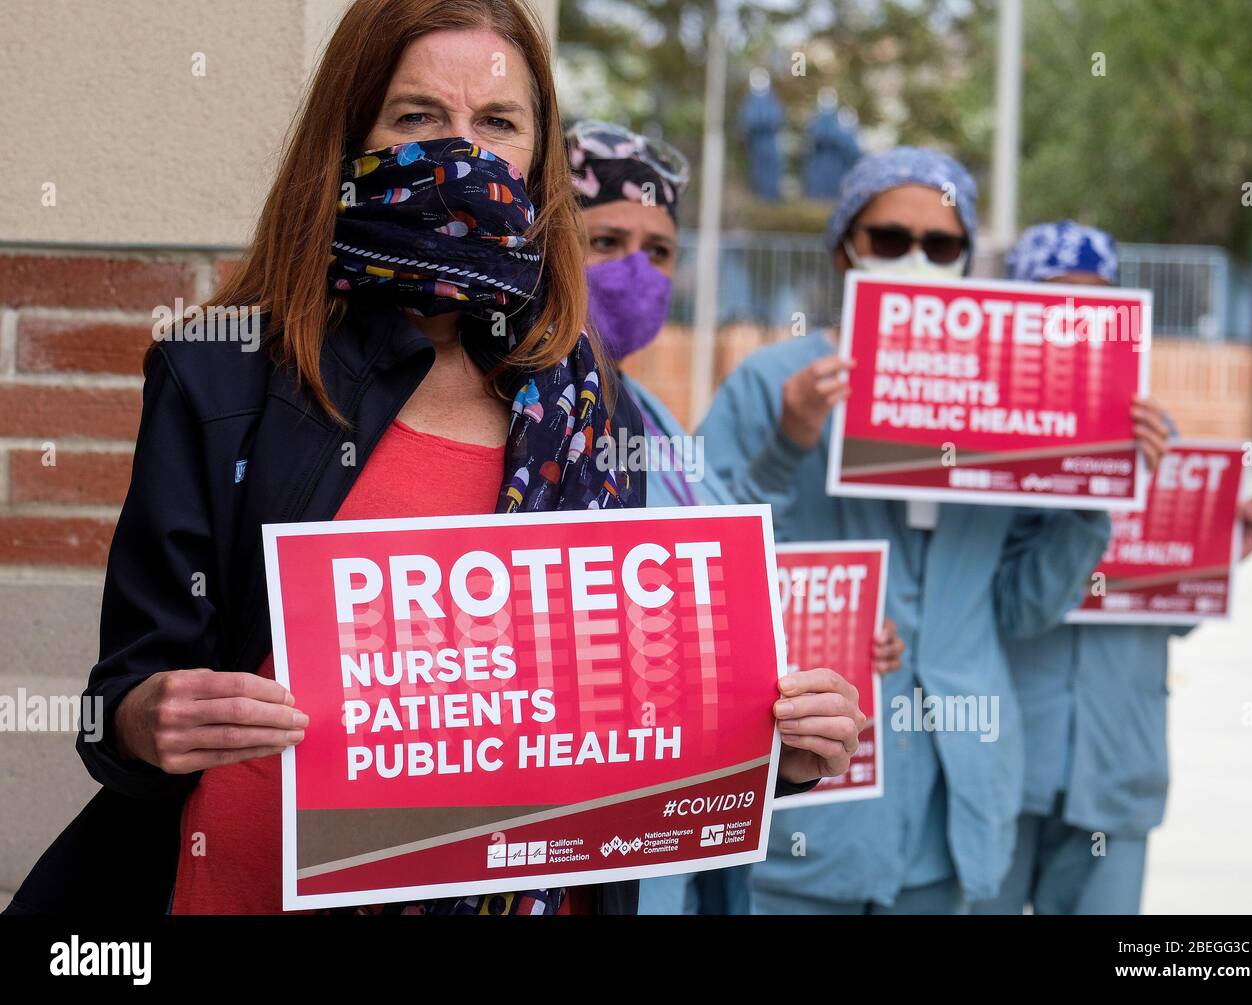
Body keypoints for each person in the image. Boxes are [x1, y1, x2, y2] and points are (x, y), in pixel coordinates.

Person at [8, 0, 864, 918]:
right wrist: (146, 720)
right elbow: (121, 701)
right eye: (417, 117)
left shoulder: (586, 399)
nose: (462, 156)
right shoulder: (224, 374)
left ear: (540, 157)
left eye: (497, 123)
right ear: (349, 139)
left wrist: (775, 749)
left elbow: (626, 711)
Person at [699, 147, 1167, 915]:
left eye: (941, 244)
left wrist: (1092, 491)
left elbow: (1018, 608)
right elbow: (702, 578)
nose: (916, 258)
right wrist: (787, 444)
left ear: (965, 258)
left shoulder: (1000, 405)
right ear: (844, 247)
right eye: (890, 239)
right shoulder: (769, 384)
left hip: (957, 821)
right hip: (807, 823)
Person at [565, 120, 905, 914]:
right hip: (596, 852)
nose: (636, 270)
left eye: (658, 250)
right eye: (606, 241)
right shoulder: (526, 420)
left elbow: (727, 587)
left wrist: (837, 638)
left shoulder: (649, 415)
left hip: (681, 852)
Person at [970, 221, 1252, 914]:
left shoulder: (1153, 438)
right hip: (1006, 769)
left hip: (1116, 770)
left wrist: (1215, 561)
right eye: (1057, 300)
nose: (1078, 321)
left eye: (1098, 301)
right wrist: (1085, 504)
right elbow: (1007, 606)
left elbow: (1162, 617)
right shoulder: (982, 452)